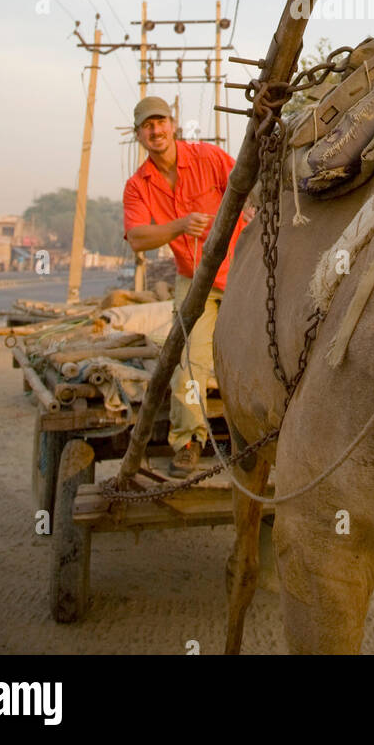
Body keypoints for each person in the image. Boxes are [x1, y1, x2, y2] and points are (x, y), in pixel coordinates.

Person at [122, 96, 247, 476]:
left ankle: (276, 439)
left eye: (160, 122)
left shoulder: (209, 157)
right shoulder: (137, 185)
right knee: (190, 362)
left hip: (245, 273)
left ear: (172, 125)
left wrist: (251, 205)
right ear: (139, 134)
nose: (155, 130)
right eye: (147, 125)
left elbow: (247, 184)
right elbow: (139, 238)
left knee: (263, 354)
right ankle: (189, 441)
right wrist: (178, 225)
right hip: (197, 283)